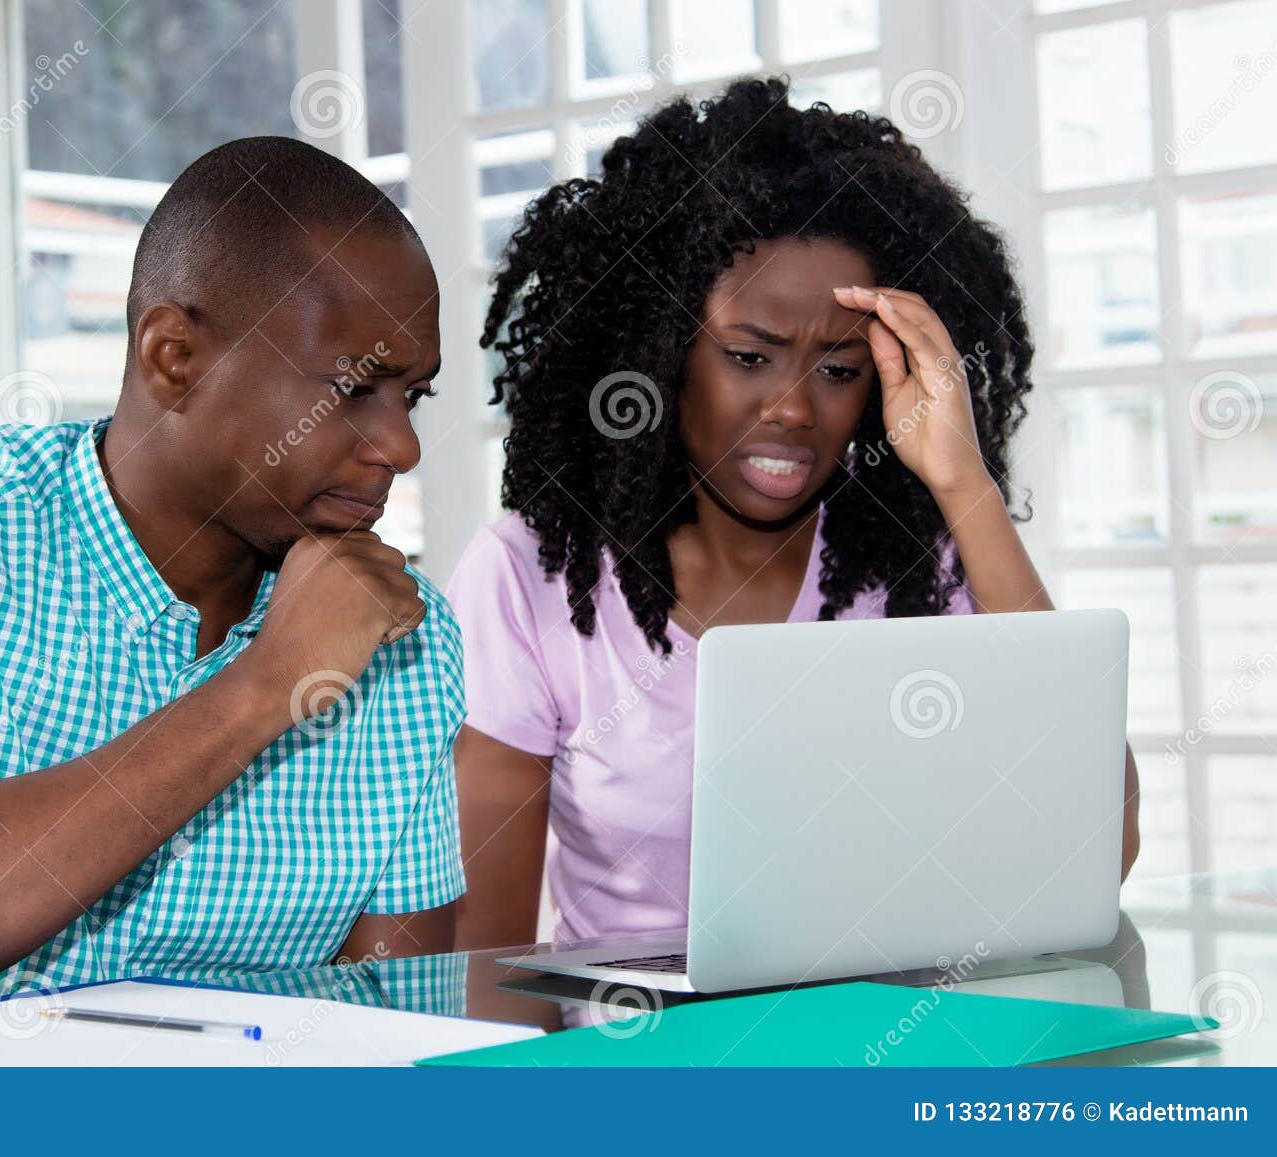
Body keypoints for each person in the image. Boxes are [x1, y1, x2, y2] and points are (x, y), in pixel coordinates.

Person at [447, 78, 1141, 951]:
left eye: (840, 370)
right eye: (749, 356)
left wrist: (965, 486)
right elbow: (484, 967)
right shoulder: (530, 578)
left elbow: (1096, 847)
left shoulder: (920, 566)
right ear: (659, 350)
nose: (794, 410)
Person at [0, 137, 459, 1017]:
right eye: (355, 388)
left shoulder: (404, 635)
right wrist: (268, 681)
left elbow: (397, 1025)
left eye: (415, 396)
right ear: (174, 356)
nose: (400, 445)